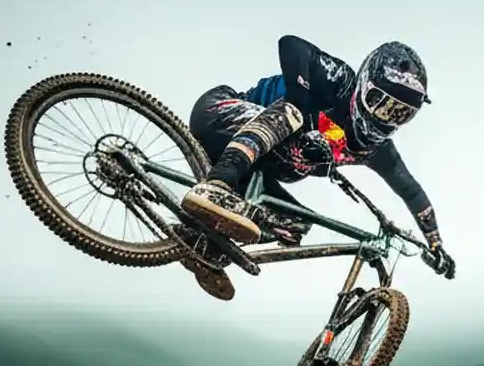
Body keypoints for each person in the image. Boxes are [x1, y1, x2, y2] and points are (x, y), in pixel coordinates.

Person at [179, 35, 457, 300]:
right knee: (292, 116)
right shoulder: (338, 82)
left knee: (296, 223)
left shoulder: (377, 150)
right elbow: (290, 44)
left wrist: (436, 245)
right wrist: (298, 98)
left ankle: (206, 244)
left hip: (256, 169)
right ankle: (217, 185)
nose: (384, 116)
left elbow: (412, 192)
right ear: (364, 84)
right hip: (219, 114)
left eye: (399, 113)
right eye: (379, 102)